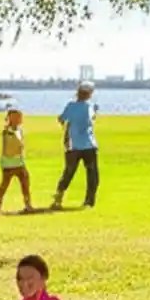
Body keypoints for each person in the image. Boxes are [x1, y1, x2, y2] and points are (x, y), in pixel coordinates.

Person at [52, 81, 99, 209]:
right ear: (89, 94)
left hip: (73, 145)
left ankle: (58, 199)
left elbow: (61, 119)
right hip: (89, 144)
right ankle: (89, 202)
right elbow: (91, 119)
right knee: (92, 174)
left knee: (68, 173)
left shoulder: (71, 106)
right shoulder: (91, 106)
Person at [0, 108, 34, 213]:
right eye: (18, 117)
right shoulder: (7, 131)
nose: (20, 119)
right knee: (5, 183)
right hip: (10, 162)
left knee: (25, 182)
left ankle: (27, 203)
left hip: (19, 161)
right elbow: (9, 147)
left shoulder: (19, 130)